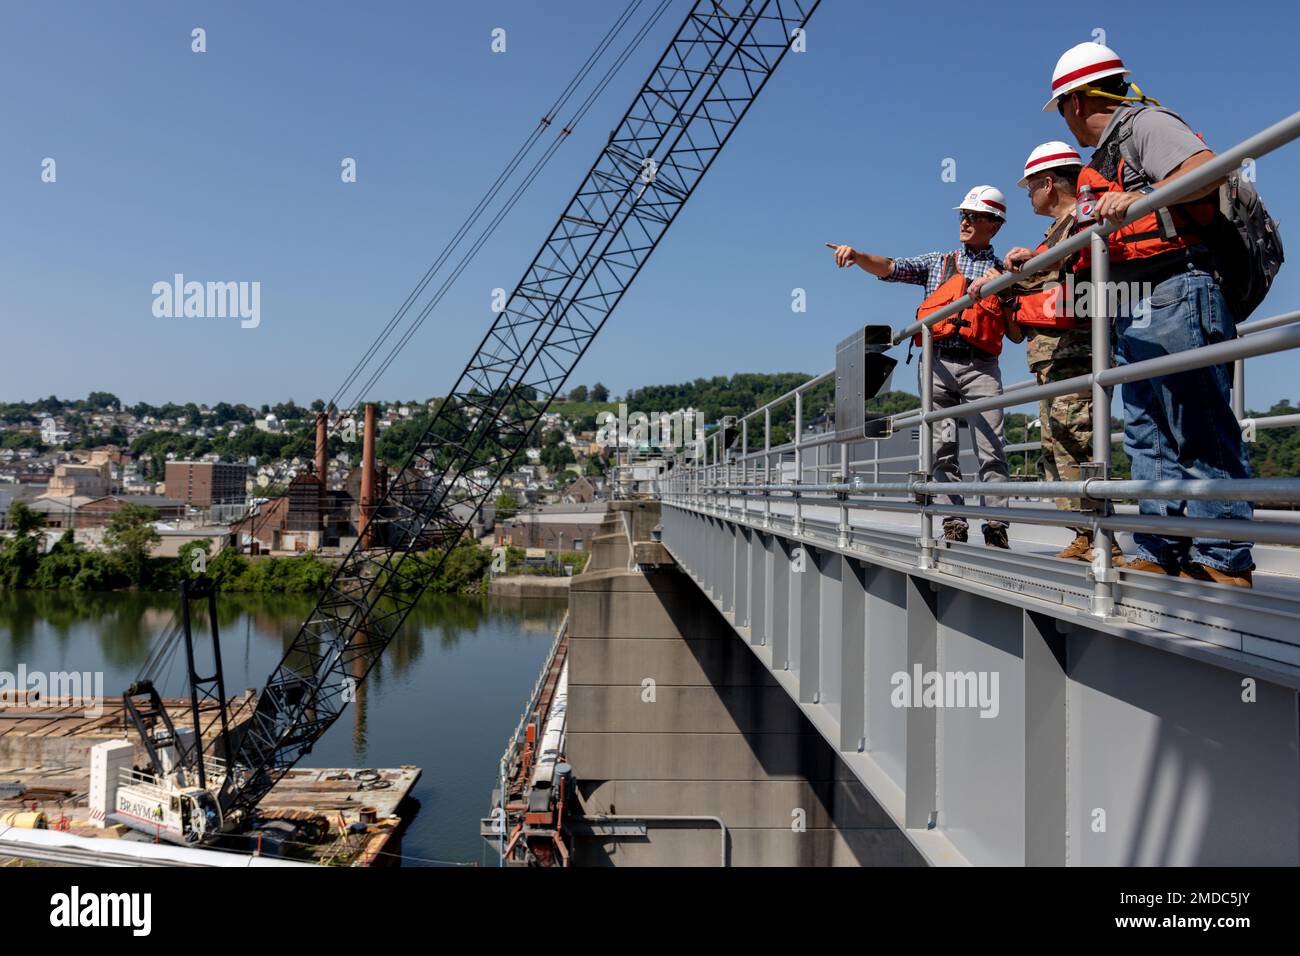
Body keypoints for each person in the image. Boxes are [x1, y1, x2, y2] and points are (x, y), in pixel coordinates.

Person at [1044, 41, 1254, 587]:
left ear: (1075, 101)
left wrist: (1145, 198)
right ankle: (1160, 547)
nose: (1067, 122)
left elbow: (1206, 170)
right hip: (1132, 298)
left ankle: (1224, 558)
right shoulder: (1107, 156)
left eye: (1063, 108)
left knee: (1196, 421)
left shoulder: (1145, 125)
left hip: (1177, 286)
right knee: (1146, 431)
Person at [827, 186, 1015, 549]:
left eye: (973, 216)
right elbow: (893, 268)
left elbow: (1016, 330)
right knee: (941, 446)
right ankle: (953, 522)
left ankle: (996, 525)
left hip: (982, 366)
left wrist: (1006, 286)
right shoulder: (938, 262)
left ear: (994, 225)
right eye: (962, 215)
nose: (964, 221)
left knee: (992, 446)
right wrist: (858, 256)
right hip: (937, 363)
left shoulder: (1003, 270)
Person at [969, 142, 1124, 565]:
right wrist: (1021, 267)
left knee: (1079, 442)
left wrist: (1026, 267)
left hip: (1075, 354)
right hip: (1050, 358)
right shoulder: (1054, 235)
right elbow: (1043, 282)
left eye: (1030, 188)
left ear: (1049, 184)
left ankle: (1101, 534)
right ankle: (1082, 532)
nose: (1029, 196)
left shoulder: (1081, 221)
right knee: (1056, 448)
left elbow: (1073, 286)